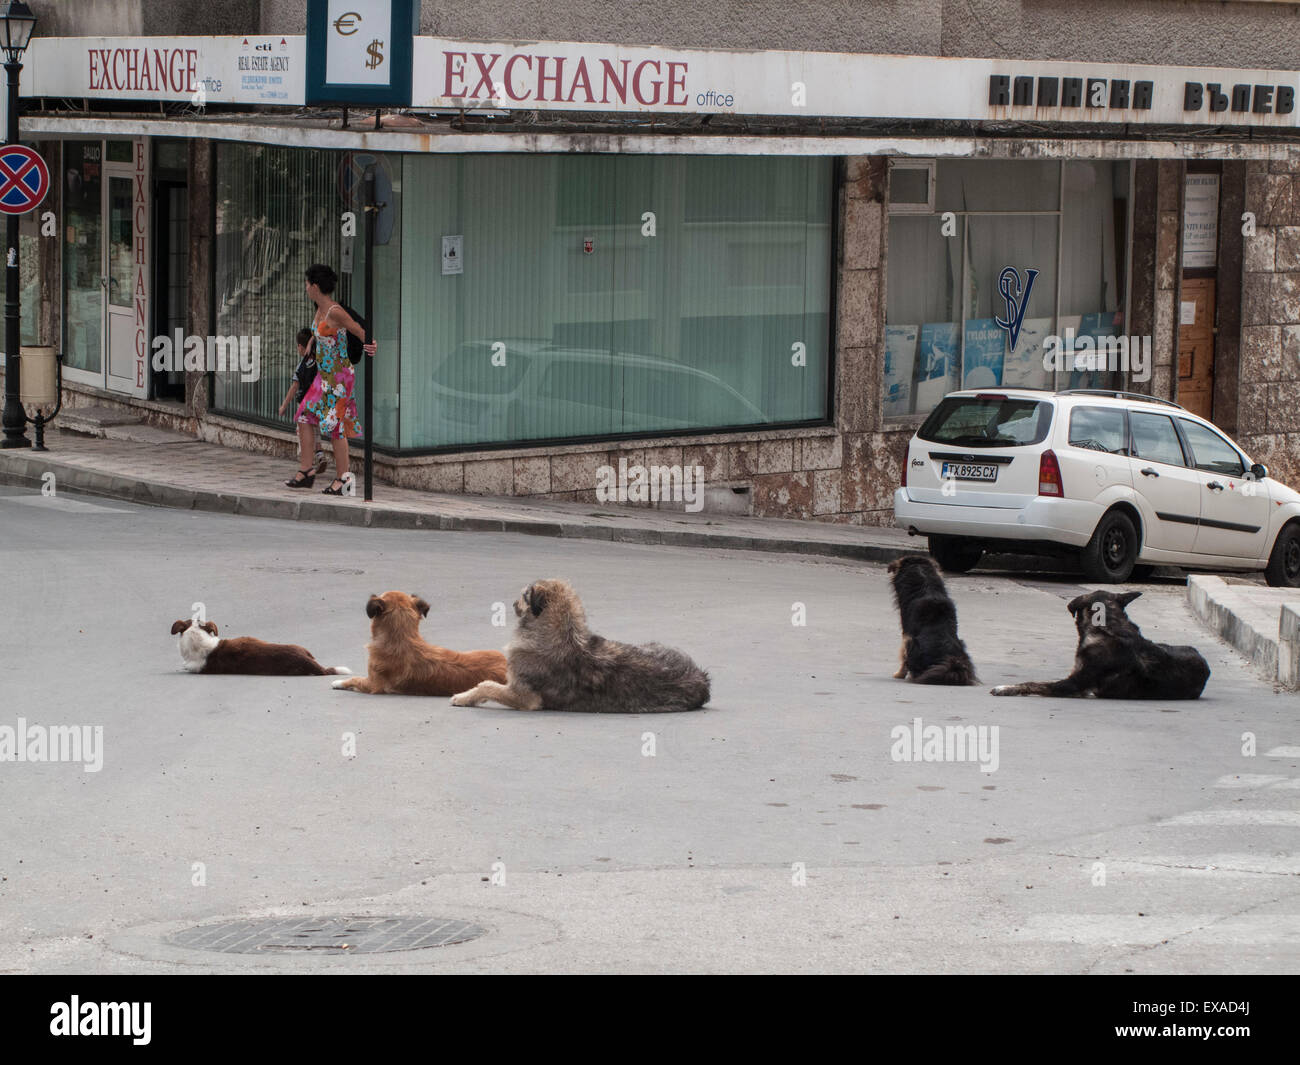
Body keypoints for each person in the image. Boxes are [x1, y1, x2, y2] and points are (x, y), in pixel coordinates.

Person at [296, 264, 377, 495]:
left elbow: (359, 329)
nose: (305, 287)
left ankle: (344, 480)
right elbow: (320, 332)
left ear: (315, 286)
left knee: (336, 428)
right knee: (304, 415)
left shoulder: (335, 311)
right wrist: (312, 343)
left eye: (307, 283)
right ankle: (306, 471)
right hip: (324, 376)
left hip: (339, 377)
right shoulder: (320, 309)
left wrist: (372, 343)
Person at [280, 327, 328, 487]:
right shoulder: (318, 361)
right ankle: (312, 464)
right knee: (314, 430)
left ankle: (307, 470)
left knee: (304, 430)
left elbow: (295, 386)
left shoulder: (303, 364)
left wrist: (284, 405)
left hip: (308, 403)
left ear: (301, 347)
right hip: (318, 402)